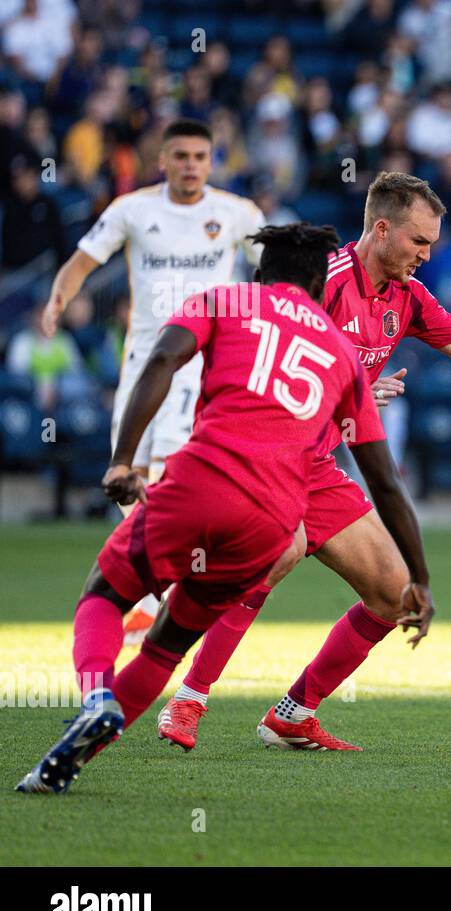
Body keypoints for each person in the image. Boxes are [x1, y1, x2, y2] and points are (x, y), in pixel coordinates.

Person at [153, 172, 451, 751]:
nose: (427, 256)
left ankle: (292, 712)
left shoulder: (406, 296)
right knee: (275, 556)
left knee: (395, 593)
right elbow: (264, 348)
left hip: (318, 463)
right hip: (266, 458)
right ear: (381, 229)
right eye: (418, 242)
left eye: (431, 244)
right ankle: (188, 700)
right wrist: (341, 386)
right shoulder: (322, 278)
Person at [15, 224, 433, 794]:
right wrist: (423, 579)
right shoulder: (341, 353)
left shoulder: (227, 298)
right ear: (319, 285)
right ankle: (66, 765)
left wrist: (123, 462)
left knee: (105, 594)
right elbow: (384, 478)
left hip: (199, 482)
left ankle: (95, 697)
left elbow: (162, 358)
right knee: (166, 644)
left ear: (260, 274)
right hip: (271, 521)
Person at [41, 119, 266, 640]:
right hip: (142, 358)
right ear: (162, 160)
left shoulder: (235, 213)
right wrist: (58, 299)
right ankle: (157, 588)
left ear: (213, 162)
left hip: (201, 358)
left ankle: (168, 591)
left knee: (168, 468)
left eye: (200, 156)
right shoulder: (133, 210)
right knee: (125, 474)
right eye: (180, 156)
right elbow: (82, 261)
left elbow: (279, 264)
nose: (190, 165)